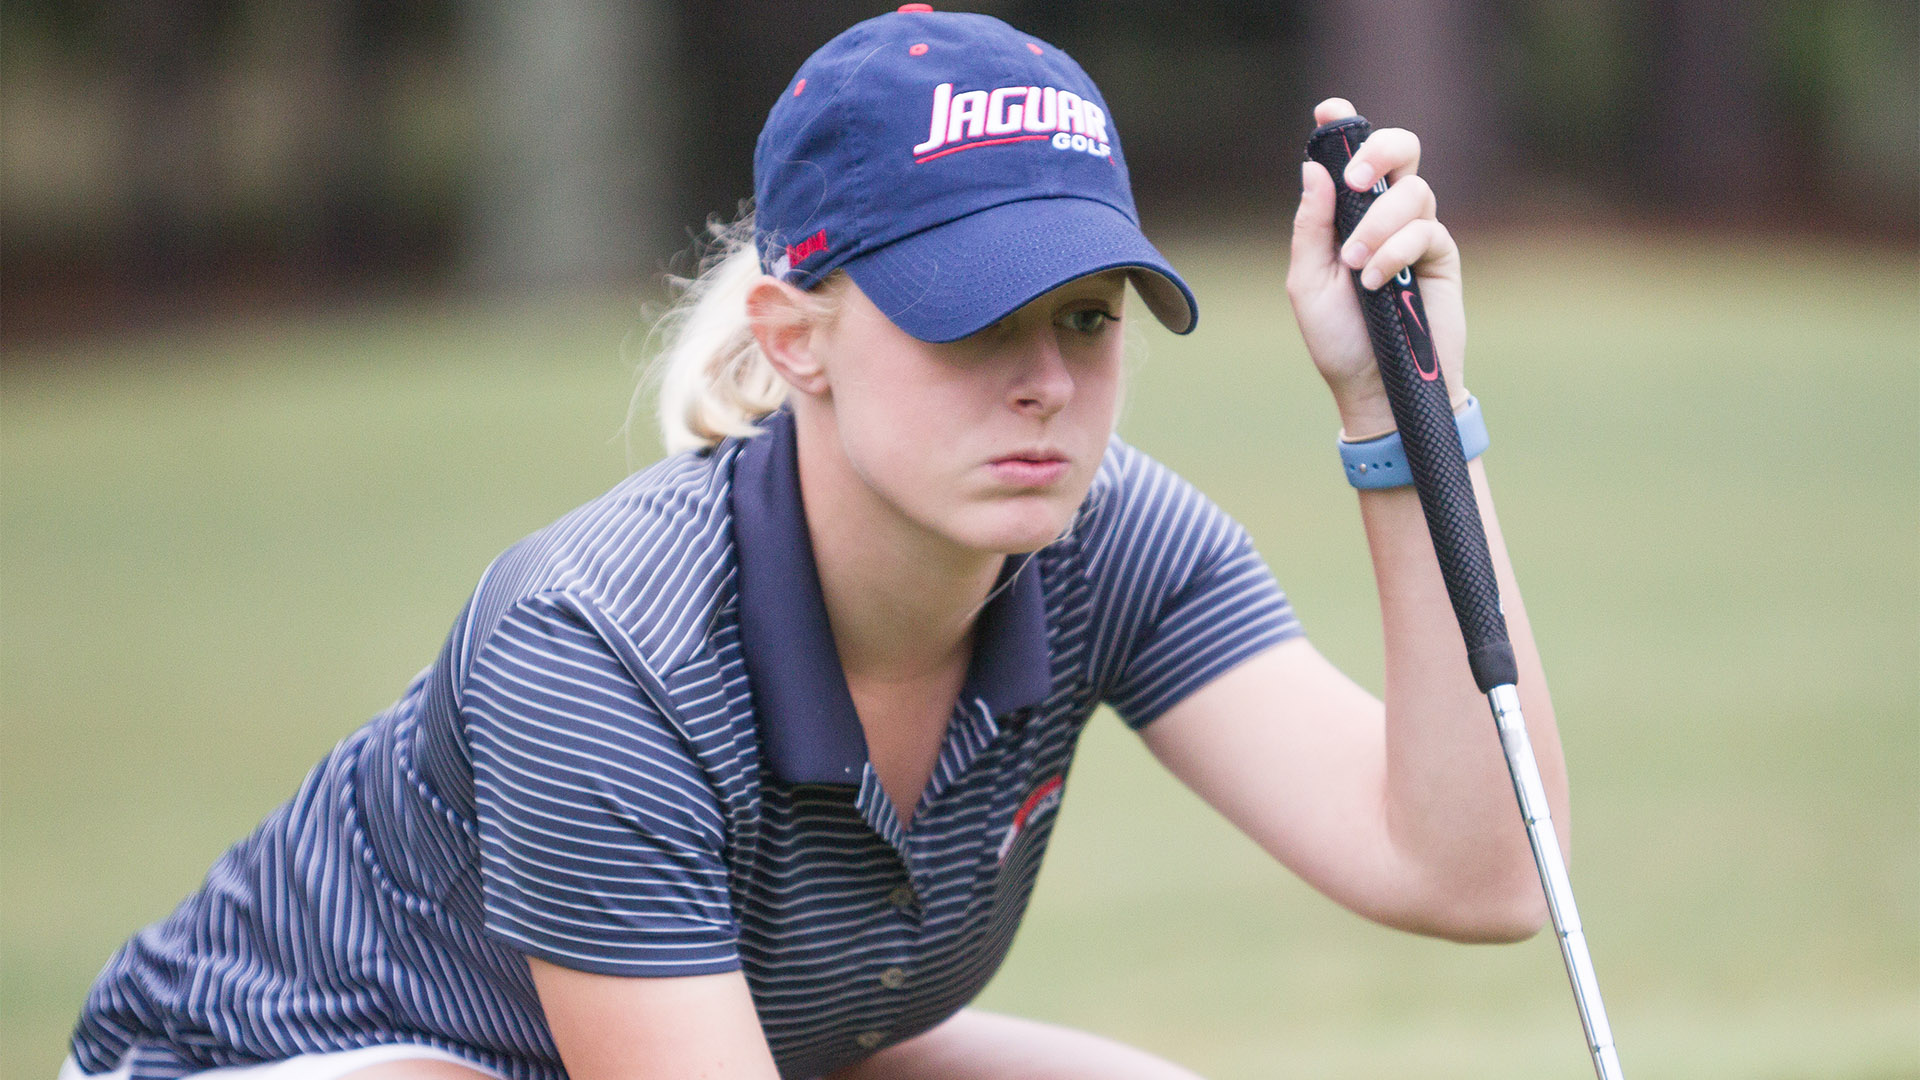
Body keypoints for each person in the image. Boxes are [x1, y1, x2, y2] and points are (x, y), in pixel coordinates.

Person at [64, 8, 1569, 1080]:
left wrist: (1402, 411)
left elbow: (1484, 868)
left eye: (1088, 319)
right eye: (972, 320)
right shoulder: (597, 648)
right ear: (797, 339)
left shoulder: (1105, 537)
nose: (1046, 378)